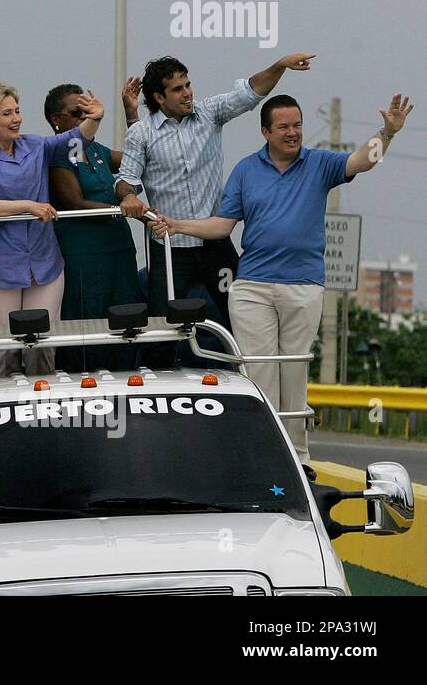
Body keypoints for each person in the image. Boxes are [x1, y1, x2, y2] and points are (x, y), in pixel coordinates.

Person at [154, 93, 413, 464]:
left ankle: (298, 461)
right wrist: (178, 224)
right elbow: (223, 225)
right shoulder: (246, 170)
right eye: (284, 127)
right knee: (259, 376)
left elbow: (362, 161)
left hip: (303, 286)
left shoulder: (320, 163)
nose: (293, 133)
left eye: (298, 125)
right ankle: (262, 458)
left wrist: (386, 133)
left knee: (293, 374)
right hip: (253, 287)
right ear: (266, 131)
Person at [115, 54, 315, 345]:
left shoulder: (209, 112)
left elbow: (250, 92)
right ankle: (164, 380)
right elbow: (126, 180)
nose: (187, 93)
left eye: (188, 84)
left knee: (241, 317)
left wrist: (280, 65)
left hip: (215, 244)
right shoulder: (141, 134)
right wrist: (130, 196)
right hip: (169, 248)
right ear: (159, 97)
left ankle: (248, 379)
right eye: (178, 89)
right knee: (161, 329)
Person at [0, 81, 104, 377]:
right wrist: (28, 206)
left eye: (17, 111)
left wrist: (96, 119)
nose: (16, 119)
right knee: (4, 351)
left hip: (43, 263)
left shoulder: (35, 145)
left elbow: (76, 140)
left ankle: (43, 415)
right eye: (6, 114)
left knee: (43, 346)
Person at [45, 82, 144, 370]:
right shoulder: (57, 154)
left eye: (88, 113)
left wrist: (131, 114)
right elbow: (74, 202)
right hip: (83, 256)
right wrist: (122, 208)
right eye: (77, 113)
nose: (84, 119)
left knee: (127, 320)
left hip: (119, 250)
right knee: (88, 328)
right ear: (56, 119)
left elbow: (138, 160)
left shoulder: (97, 150)